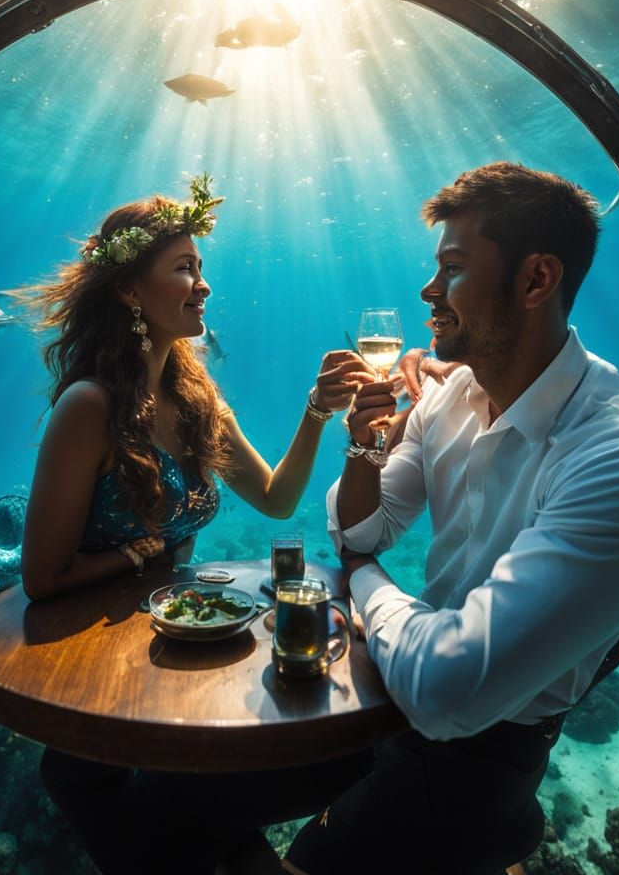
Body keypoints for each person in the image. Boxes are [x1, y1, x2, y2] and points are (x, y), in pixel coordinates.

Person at [282, 162, 619, 875]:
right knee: (194, 798)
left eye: (452, 269)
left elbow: (449, 689)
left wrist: (362, 582)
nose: (428, 291)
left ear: (537, 280)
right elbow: (361, 531)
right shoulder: (449, 396)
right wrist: (363, 444)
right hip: (392, 692)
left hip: (483, 748)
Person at [20, 174, 371, 874]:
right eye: (184, 267)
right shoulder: (88, 407)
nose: (203, 284)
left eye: (201, 267)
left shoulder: (195, 395)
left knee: (304, 779)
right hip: (103, 685)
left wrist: (317, 410)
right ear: (129, 290)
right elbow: (41, 577)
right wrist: (143, 556)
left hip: (174, 655)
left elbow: (274, 497)